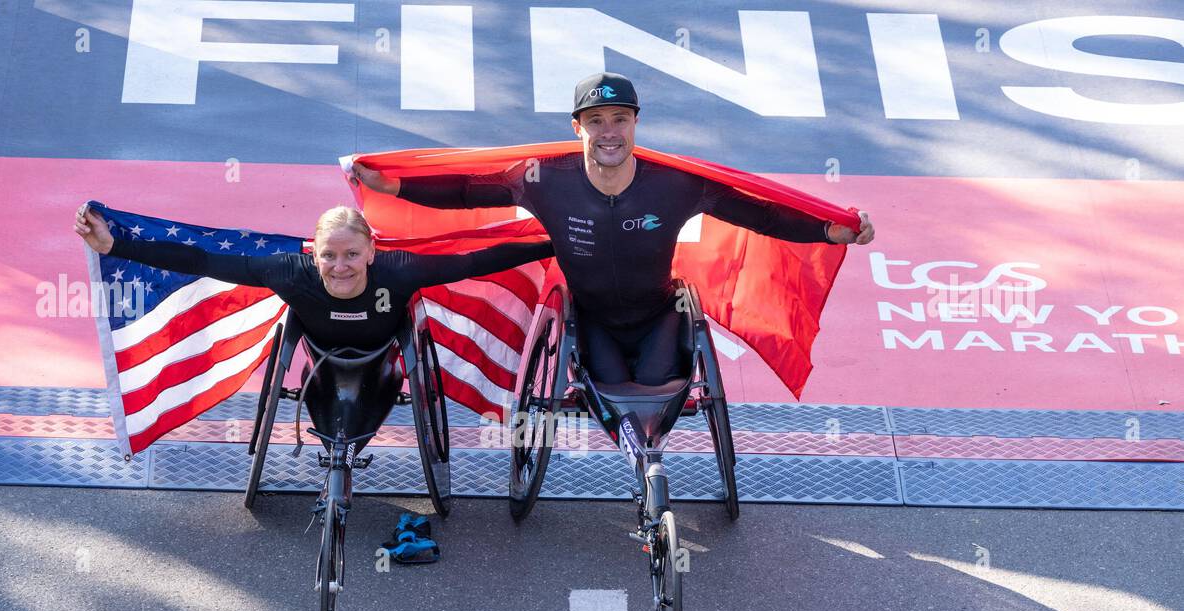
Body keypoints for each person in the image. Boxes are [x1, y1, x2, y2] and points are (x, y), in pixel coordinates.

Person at [353, 72, 875, 386]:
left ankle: (649, 487)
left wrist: (829, 233)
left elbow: (757, 213)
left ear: (635, 124)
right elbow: (467, 191)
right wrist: (393, 187)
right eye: (596, 121)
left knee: (654, 390)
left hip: (658, 314)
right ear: (576, 127)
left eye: (619, 119)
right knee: (609, 388)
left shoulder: (676, 183)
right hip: (590, 318)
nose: (609, 132)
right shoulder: (541, 178)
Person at [74, 203, 552, 354]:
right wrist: (118, 246)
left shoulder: (401, 269)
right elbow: (201, 259)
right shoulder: (287, 271)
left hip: (383, 351)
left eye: (351, 255)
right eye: (329, 256)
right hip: (320, 352)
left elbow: (474, 262)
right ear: (312, 254)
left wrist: (555, 245)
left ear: (370, 253)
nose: (340, 266)